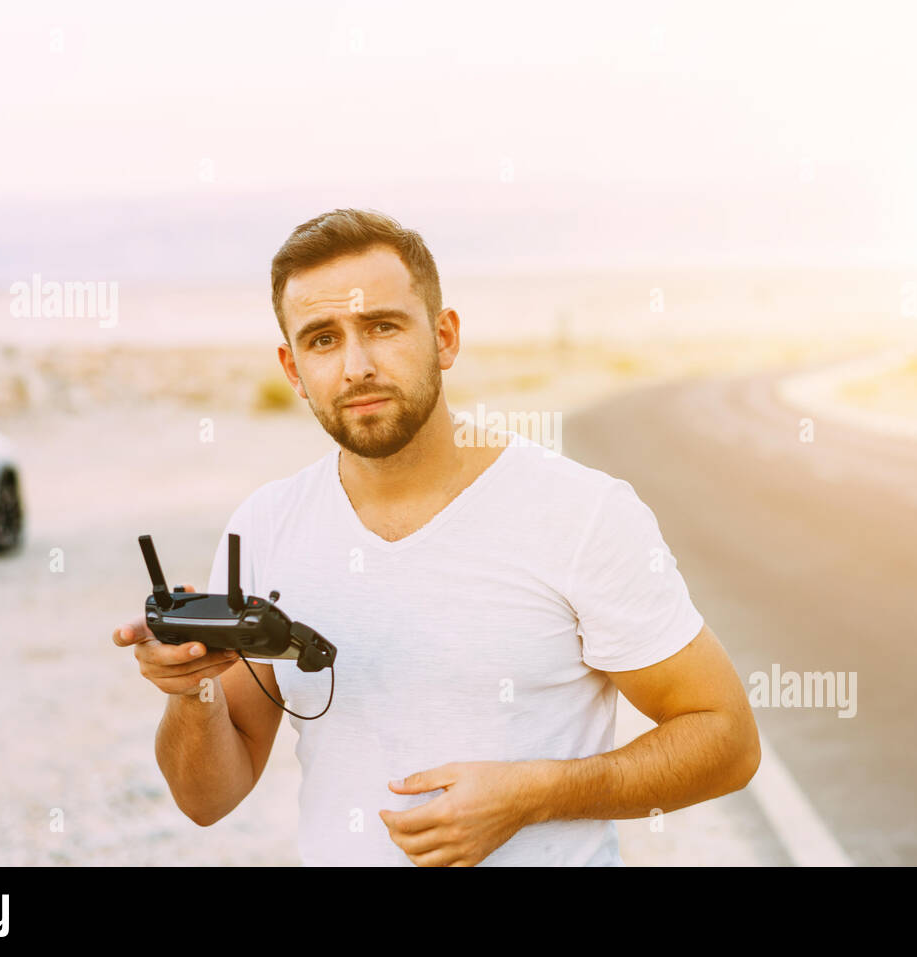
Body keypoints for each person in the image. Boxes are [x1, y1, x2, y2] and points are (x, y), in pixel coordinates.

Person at [112, 208, 760, 866]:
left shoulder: (581, 513)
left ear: (444, 336)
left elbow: (726, 740)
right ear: (292, 368)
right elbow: (206, 799)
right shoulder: (266, 525)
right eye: (322, 339)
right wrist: (191, 692)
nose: (356, 365)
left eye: (382, 326)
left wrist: (533, 795)